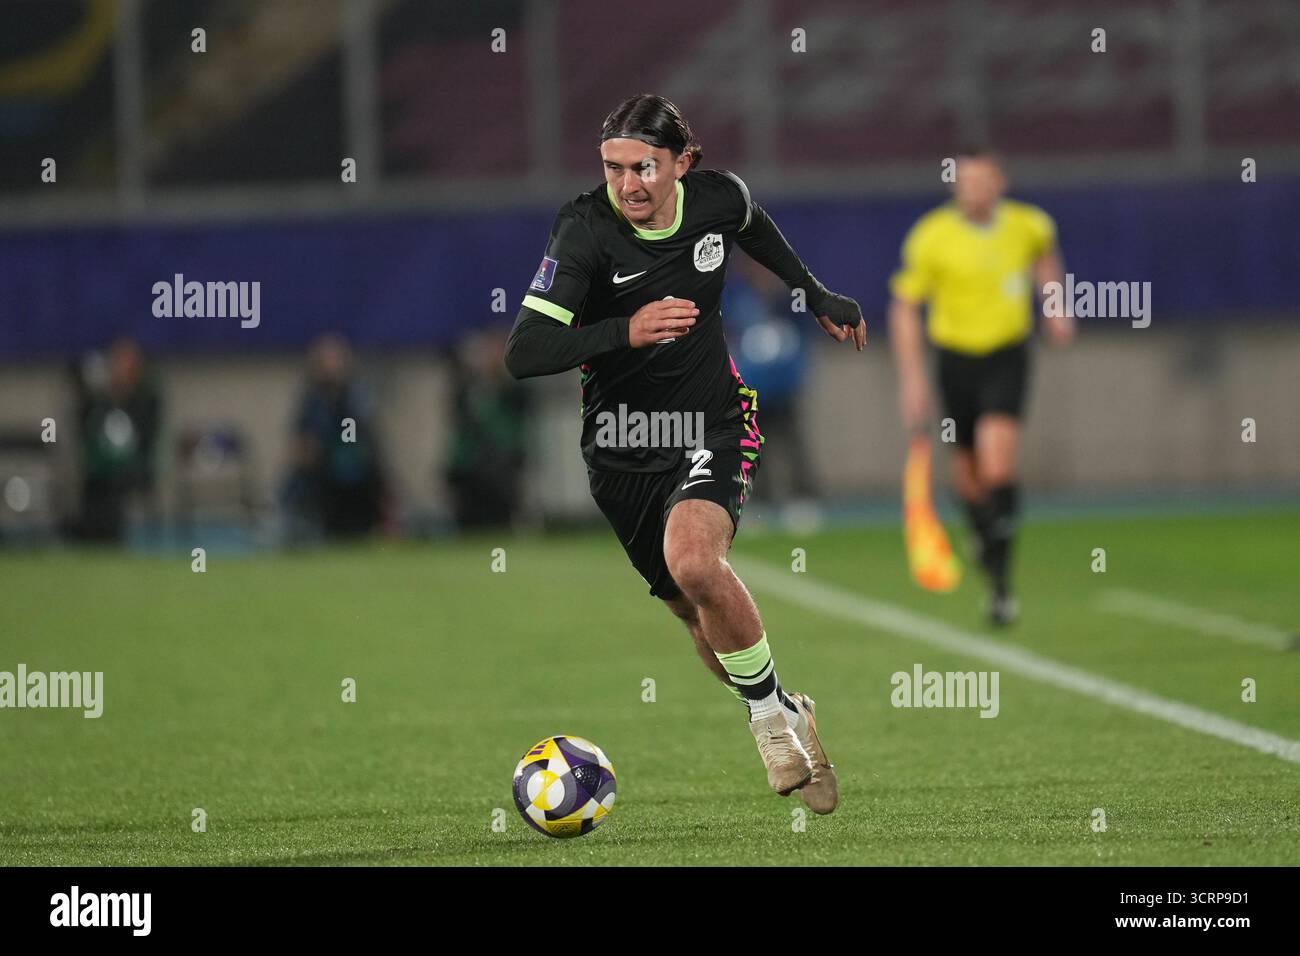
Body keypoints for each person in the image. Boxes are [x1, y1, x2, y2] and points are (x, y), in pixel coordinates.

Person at [504, 94, 864, 812]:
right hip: (623, 449)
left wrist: (813, 291)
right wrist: (623, 331)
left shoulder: (715, 200)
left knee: (697, 561)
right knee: (695, 616)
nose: (628, 184)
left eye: (644, 166)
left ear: (683, 164)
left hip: (713, 422)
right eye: (613, 168)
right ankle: (787, 708)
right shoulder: (584, 232)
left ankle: (766, 725)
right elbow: (524, 351)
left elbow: (752, 225)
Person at [888, 146, 1074, 626]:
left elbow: (1045, 262)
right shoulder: (933, 236)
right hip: (955, 362)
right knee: (966, 477)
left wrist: (1055, 308)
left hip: (1006, 356)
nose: (973, 188)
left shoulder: (1029, 224)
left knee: (997, 463)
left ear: (999, 181)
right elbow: (905, 306)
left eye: (982, 179)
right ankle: (985, 538)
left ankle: (1002, 585)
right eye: (964, 180)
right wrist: (912, 380)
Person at [282, 333, 387, 540]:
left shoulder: (356, 395)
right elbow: (305, 436)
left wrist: (346, 447)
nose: (332, 365)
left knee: (364, 473)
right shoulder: (313, 399)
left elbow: (358, 432)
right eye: (326, 360)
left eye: (336, 359)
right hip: (322, 468)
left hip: (353, 464)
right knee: (296, 482)